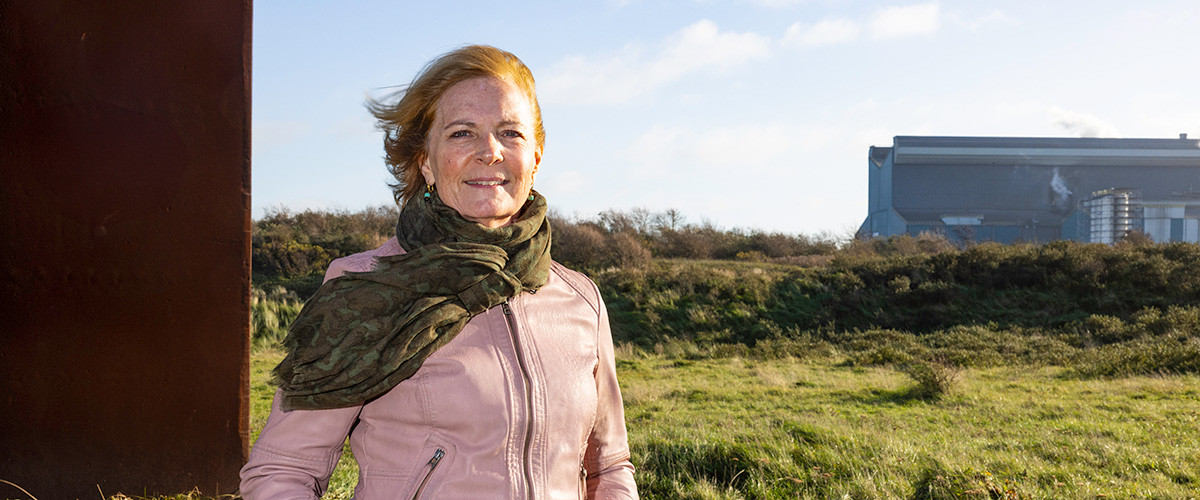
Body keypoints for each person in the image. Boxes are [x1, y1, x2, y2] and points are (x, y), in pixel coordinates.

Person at [239, 45, 639, 499]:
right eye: (462, 133)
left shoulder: (580, 298)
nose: (489, 152)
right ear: (425, 162)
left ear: (536, 158)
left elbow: (609, 467)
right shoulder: (363, 289)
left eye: (510, 132)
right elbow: (282, 472)